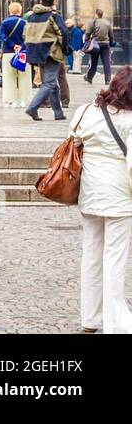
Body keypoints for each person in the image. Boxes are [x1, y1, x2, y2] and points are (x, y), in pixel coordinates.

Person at [72, 66, 132, 334]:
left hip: (90, 192)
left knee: (92, 256)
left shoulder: (86, 111)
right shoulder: (130, 121)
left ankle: (90, 318)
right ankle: (115, 323)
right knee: (114, 260)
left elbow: (74, 142)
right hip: (120, 196)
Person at [24, 0, 69, 121]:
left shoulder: (31, 16)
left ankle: (58, 113)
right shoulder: (53, 16)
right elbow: (64, 33)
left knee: (51, 83)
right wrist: (65, 48)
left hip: (36, 51)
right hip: (50, 51)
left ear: (41, 2)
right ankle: (33, 107)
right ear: (53, 2)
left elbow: (24, 34)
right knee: (49, 83)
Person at [0, 1, 32, 108]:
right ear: (20, 10)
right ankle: (24, 100)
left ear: (10, 10)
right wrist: (20, 46)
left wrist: (12, 45)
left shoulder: (4, 22)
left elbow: (3, 37)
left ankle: (10, 100)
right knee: (24, 76)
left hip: (8, 52)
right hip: (23, 53)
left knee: (9, 77)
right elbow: (28, 37)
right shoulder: (24, 22)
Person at [84, 10, 114, 87]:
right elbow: (111, 35)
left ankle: (89, 77)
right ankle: (107, 80)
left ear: (96, 14)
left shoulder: (92, 22)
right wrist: (110, 43)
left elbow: (87, 33)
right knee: (106, 62)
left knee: (94, 63)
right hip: (105, 44)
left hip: (95, 44)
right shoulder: (107, 23)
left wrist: (87, 40)